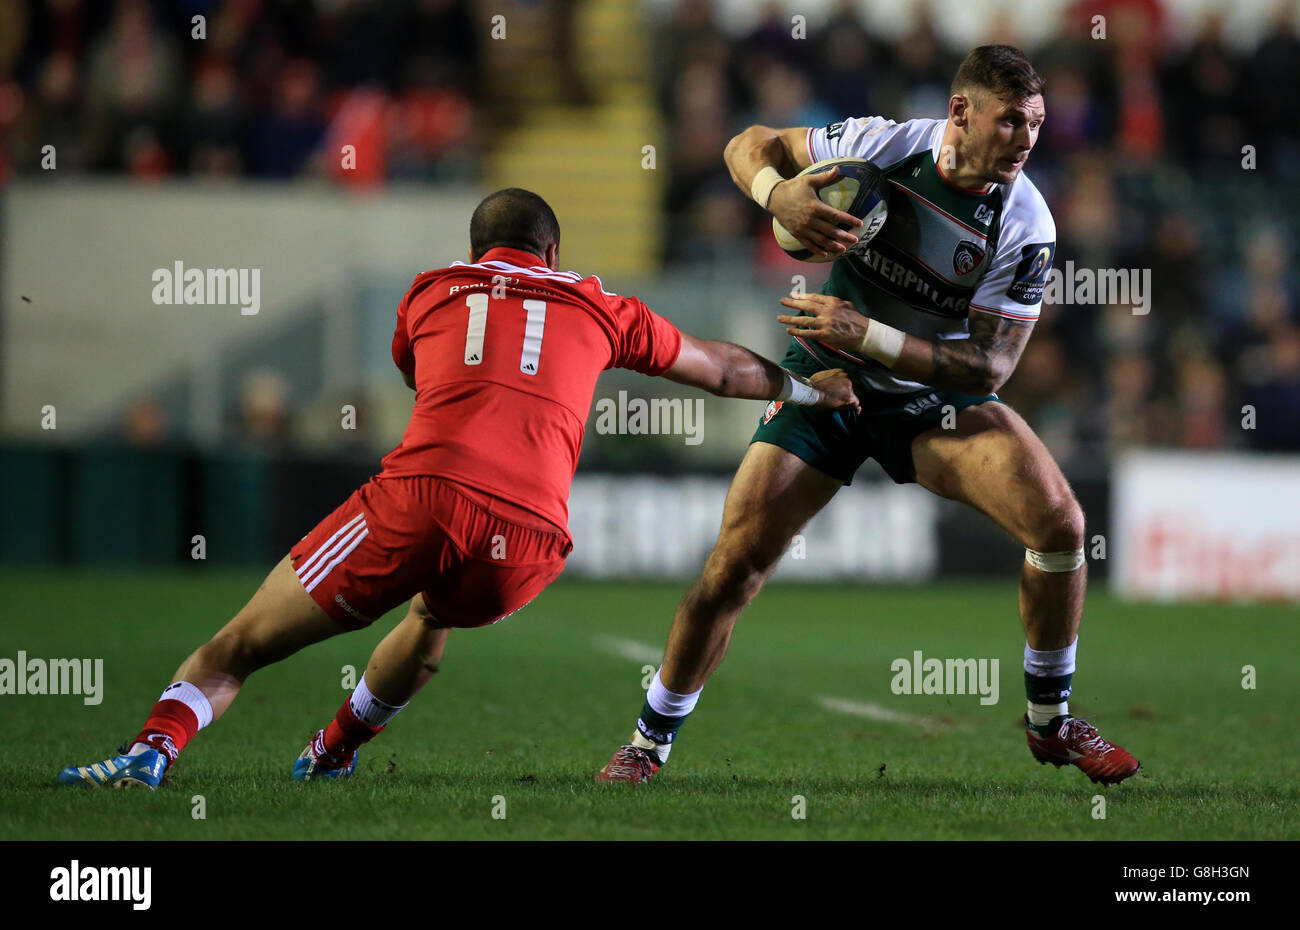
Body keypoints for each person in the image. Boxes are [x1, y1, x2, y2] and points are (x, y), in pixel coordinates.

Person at [58, 187, 859, 788]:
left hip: (424, 499)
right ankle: (333, 751)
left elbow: (419, 372)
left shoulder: (431, 287)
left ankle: (148, 754)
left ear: (478, 244)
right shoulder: (600, 304)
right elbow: (719, 368)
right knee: (433, 618)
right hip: (532, 543)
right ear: (552, 250)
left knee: (236, 648)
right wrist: (810, 390)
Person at [596, 46, 1140, 787]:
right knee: (734, 567)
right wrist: (775, 194)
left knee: (1062, 527)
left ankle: (1052, 721)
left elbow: (991, 368)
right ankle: (646, 744)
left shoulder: (1026, 221)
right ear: (961, 112)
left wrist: (874, 336)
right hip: (826, 379)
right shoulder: (882, 146)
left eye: (1036, 124)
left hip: (933, 402)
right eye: (1011, 121)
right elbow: (744, 142)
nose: (1026, 139)